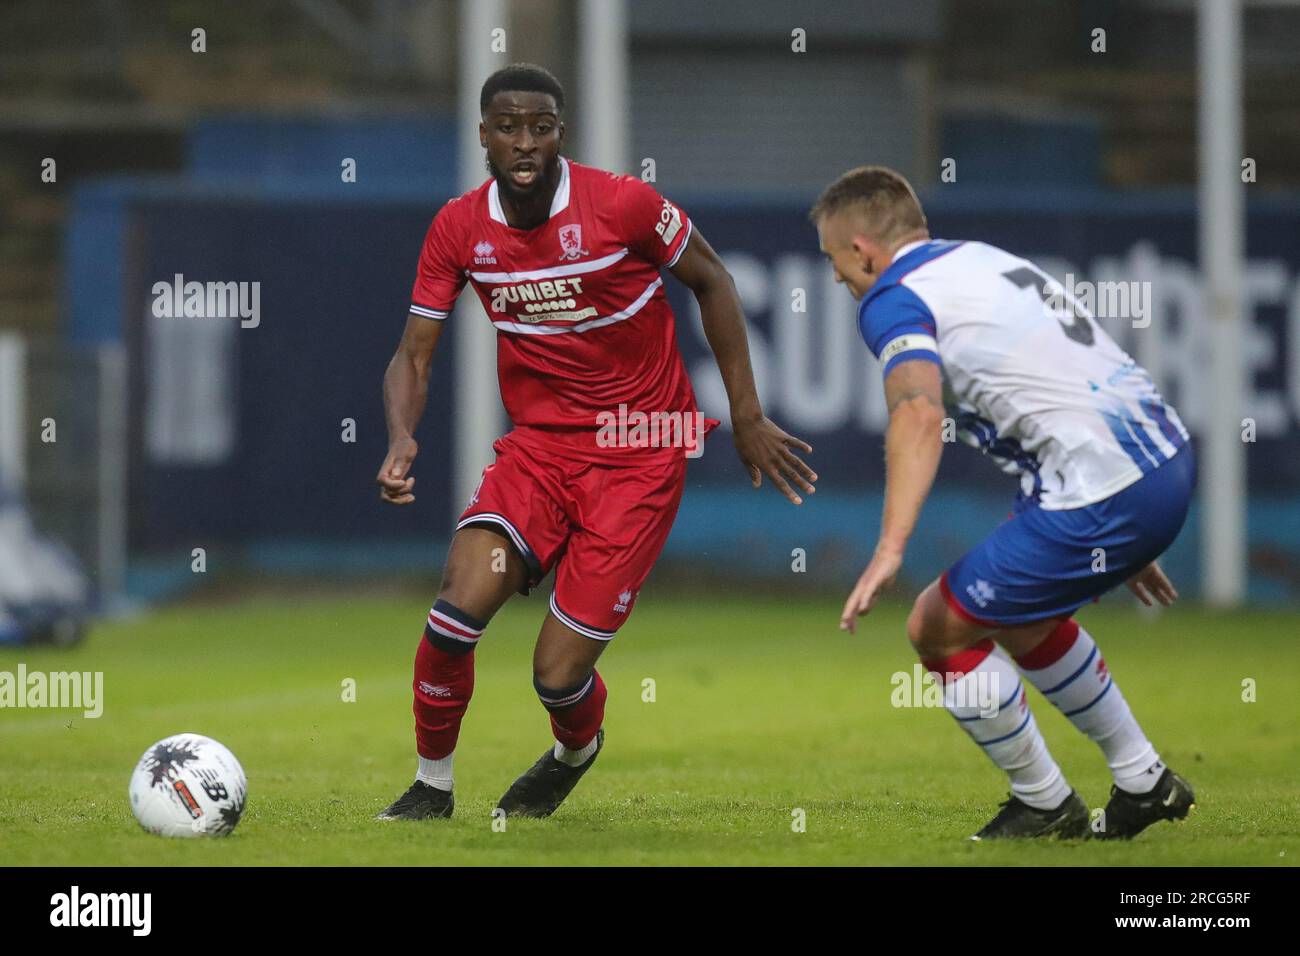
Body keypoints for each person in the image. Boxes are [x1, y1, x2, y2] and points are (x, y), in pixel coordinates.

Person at [376, 64, 816, 820]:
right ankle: (430, 788)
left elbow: (713, 279)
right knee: (456, 611)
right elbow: (414, 352)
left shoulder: (623, 205)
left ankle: (574, 749)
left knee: (556, 674)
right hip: (540, 451)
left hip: (640, 452)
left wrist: (744, 413)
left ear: (559, 134)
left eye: (540, 127)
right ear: (483, 136)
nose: (524, 142)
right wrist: (399, 437)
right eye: (508, 127)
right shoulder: (458, 227)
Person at [813, 165, 1195, 840]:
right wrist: (1131, 525)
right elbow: (1067, 374)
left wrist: (890, 546)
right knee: (1021, 618)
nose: (838, 279)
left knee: (936, 627)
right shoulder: (982, 260)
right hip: (1159, 461)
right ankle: (1144, 781)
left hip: (1104, 487)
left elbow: (918, 413)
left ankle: (1045, 804)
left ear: (862, 251)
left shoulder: (893, 298)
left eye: (834, 261)